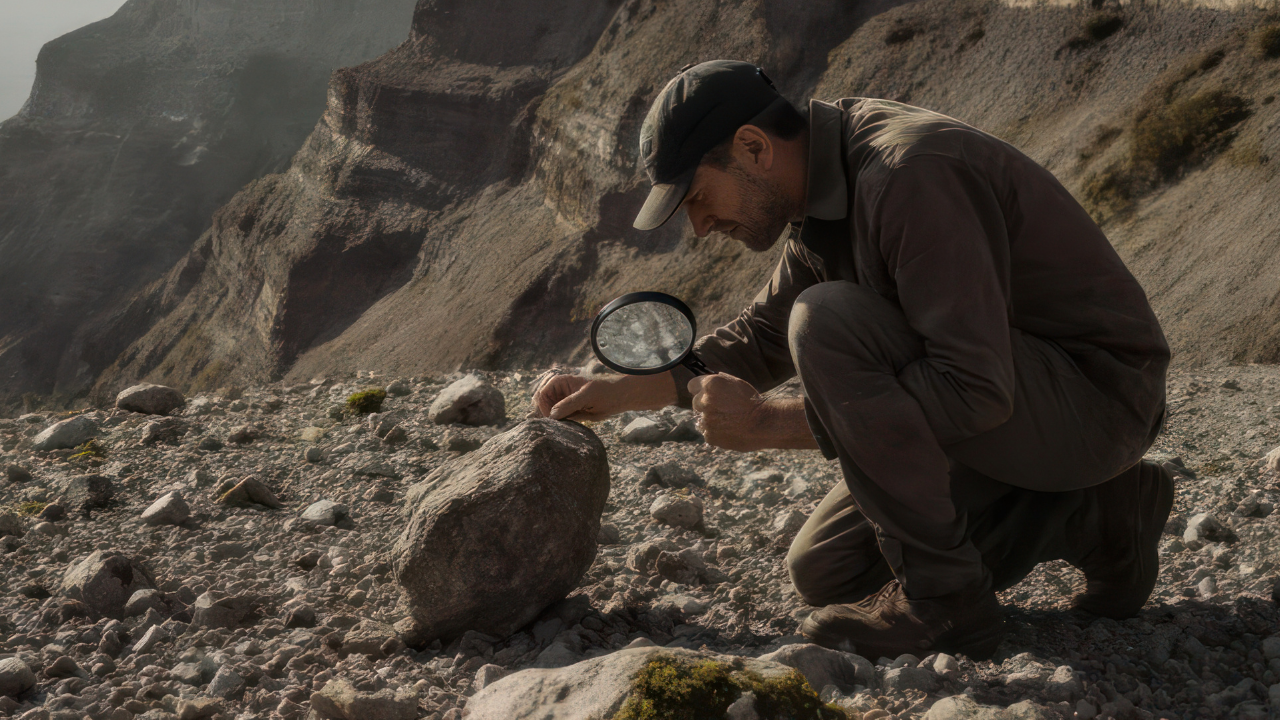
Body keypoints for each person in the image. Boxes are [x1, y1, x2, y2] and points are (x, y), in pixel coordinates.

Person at [530, 59, 1173, 660]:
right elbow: (762, 335)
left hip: (1099, 399)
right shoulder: (820, 188)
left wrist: (765, 424)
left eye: (698, 196)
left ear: (754, 147)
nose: (699, 226)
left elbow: (974, 389)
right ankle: (1098, 515)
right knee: (830, 571)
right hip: (1021, 402)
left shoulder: (909, 175)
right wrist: (618, 390)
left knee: (828, 317)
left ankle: (947, 602)